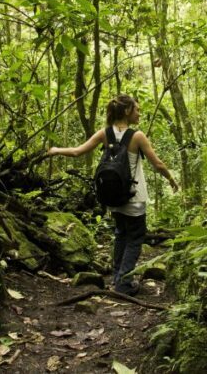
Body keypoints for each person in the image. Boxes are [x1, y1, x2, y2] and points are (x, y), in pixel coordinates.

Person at [46, 94, 179, 295]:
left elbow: (77, 152)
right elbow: (158, 164)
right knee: (135, 238)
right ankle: (124, 283)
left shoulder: (104, 133)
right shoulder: (137, 136)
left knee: (120, 235)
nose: (139, 113)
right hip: (133, 197)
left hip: (114, 198)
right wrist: (171, 180)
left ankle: (117, 278)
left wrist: (56, 150)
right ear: (127, 111)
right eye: (137, 110)